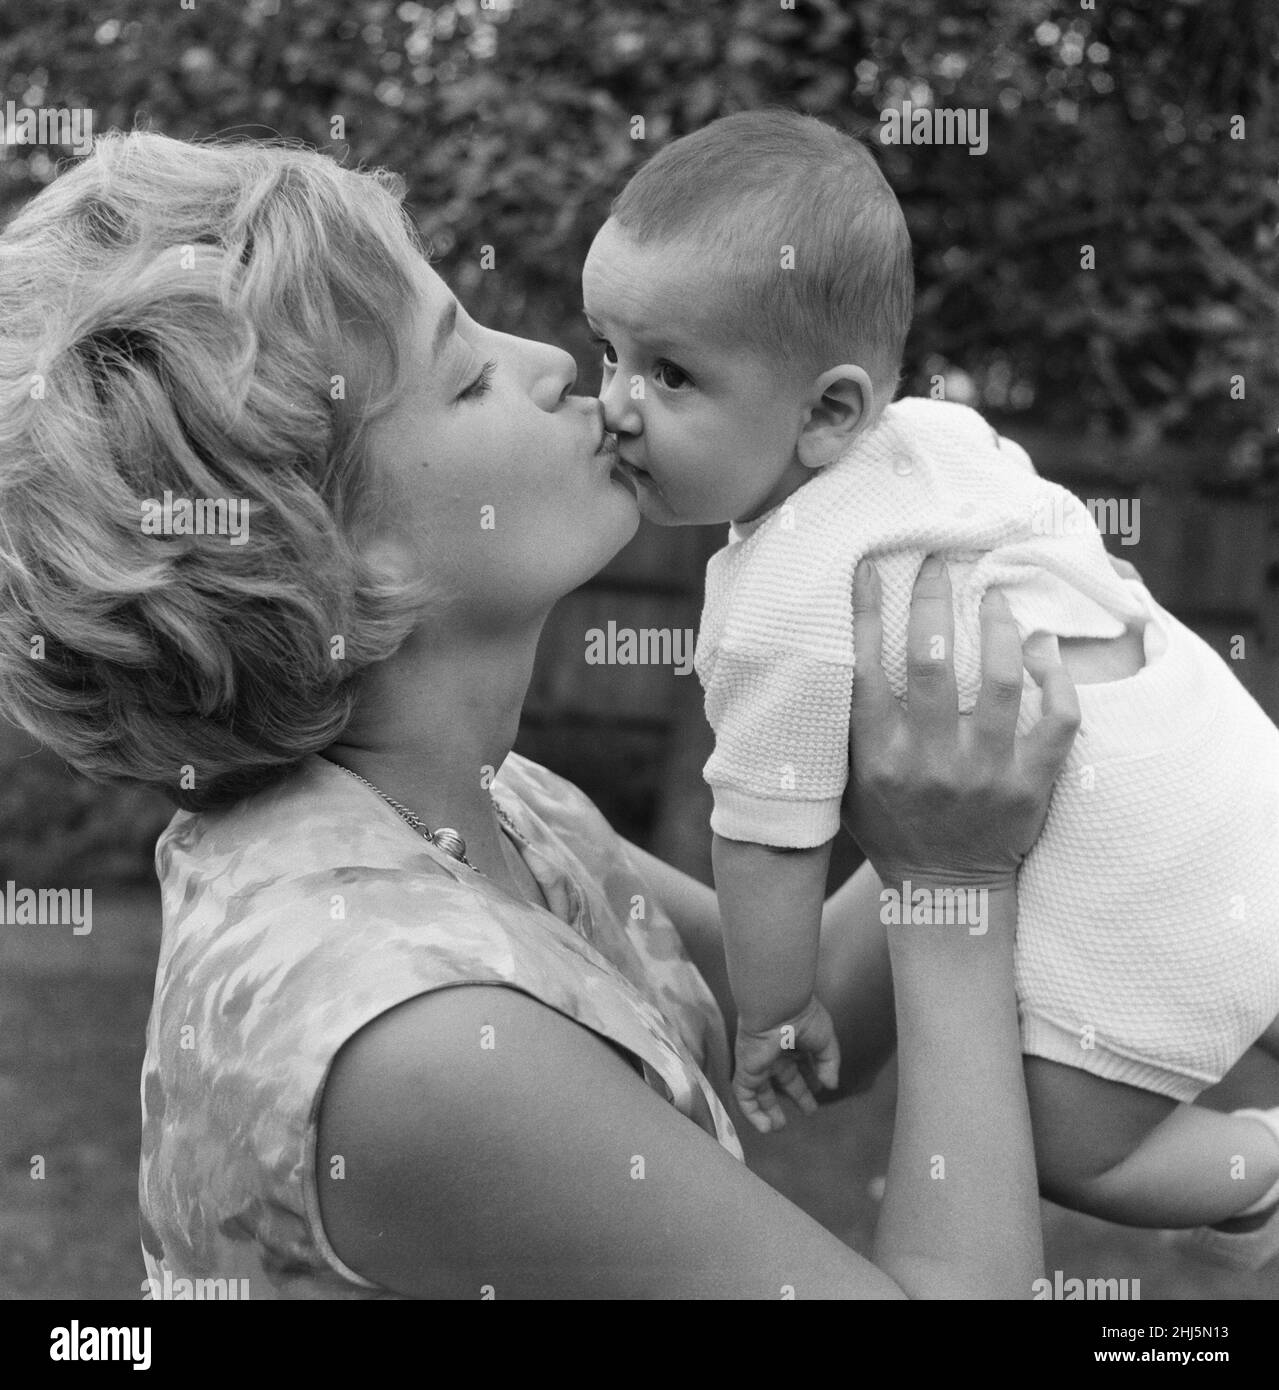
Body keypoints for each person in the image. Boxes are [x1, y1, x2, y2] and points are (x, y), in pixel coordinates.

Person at [0, 131, 1077, 1299]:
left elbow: (808, 1014)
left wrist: (998, 760)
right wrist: (956, 891)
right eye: (466, 377)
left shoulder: (493, 809)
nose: (556, 362)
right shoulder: (420, 1042)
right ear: (333, 556)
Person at [582, 108, 1279, 1261]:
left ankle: (1257, 1178)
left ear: (827, 412)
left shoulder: (779, 596)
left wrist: (772, 1012)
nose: (614, 400)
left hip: (1148, 862)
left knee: (1064, 1145)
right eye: (607, 351)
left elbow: (765, 838)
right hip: (1226, 764)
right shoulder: (936, 442)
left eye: (669, 372)